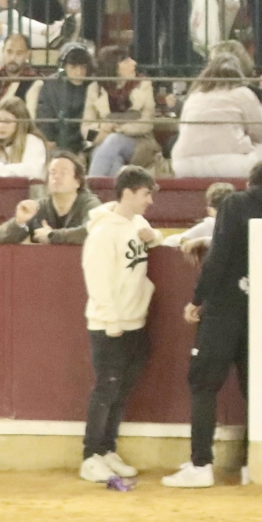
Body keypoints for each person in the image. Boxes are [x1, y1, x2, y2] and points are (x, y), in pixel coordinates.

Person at [167, 155, 262, 489]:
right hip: (260, 313)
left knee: (203, 383)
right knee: (253, 390)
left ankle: (202, 464)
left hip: (223, 310)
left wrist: (198, 298)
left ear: (249, 180)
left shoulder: (236, 203)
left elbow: (223, 255)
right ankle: (250, 465)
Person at [79, 163, 160, 485]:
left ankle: (107, 448)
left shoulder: (137, 222)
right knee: (106, 389)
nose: (149, 201)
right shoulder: (102, 233)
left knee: (121, 390)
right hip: (110, 325)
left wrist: (153, 236)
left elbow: (150, 242)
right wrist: (112, 320)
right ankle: (91, 455)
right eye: (144, 194)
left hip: (133, 321)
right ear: (127, 193)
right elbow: (97, 281)